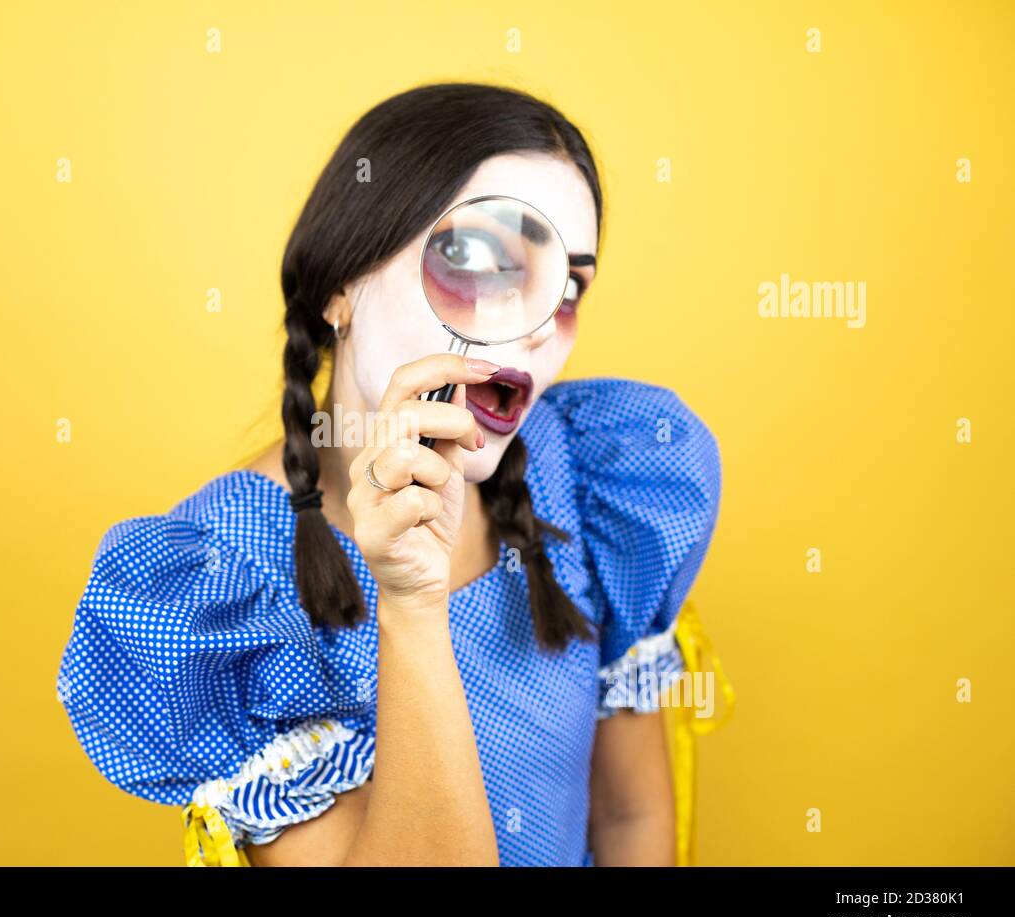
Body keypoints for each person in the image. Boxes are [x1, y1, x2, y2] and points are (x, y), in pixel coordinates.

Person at [57, 83, 721, 866]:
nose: (540, 329)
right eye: (481, 258)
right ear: (343, 283)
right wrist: (410, 603)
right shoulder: (223, 585)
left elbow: (629, 819)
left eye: (569, 286)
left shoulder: (586, 474)